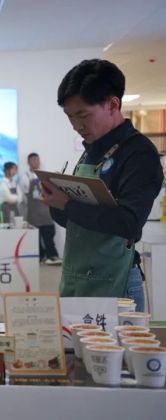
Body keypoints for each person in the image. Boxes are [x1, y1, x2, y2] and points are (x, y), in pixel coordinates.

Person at [41, 59, 163, 311]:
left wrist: (68, 204)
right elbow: (76, 223)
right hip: (77, 280)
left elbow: (128, 222)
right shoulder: (90, 152)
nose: (77, 126)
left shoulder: (138, 153)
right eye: (70, 116)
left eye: (83, 115)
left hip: (115, 284)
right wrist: (56, 203)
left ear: (112, 104)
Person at [21, 153, 61, 265]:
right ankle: (40, 256)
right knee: (35, 237)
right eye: (34, 160)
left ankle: (52, 256)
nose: (36, 162)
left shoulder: (44, 175)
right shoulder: (25, 177)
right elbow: (24, 196)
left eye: (37, 160)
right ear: (29, 162)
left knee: (49, 234)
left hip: (46, 210)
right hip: (33, 212)